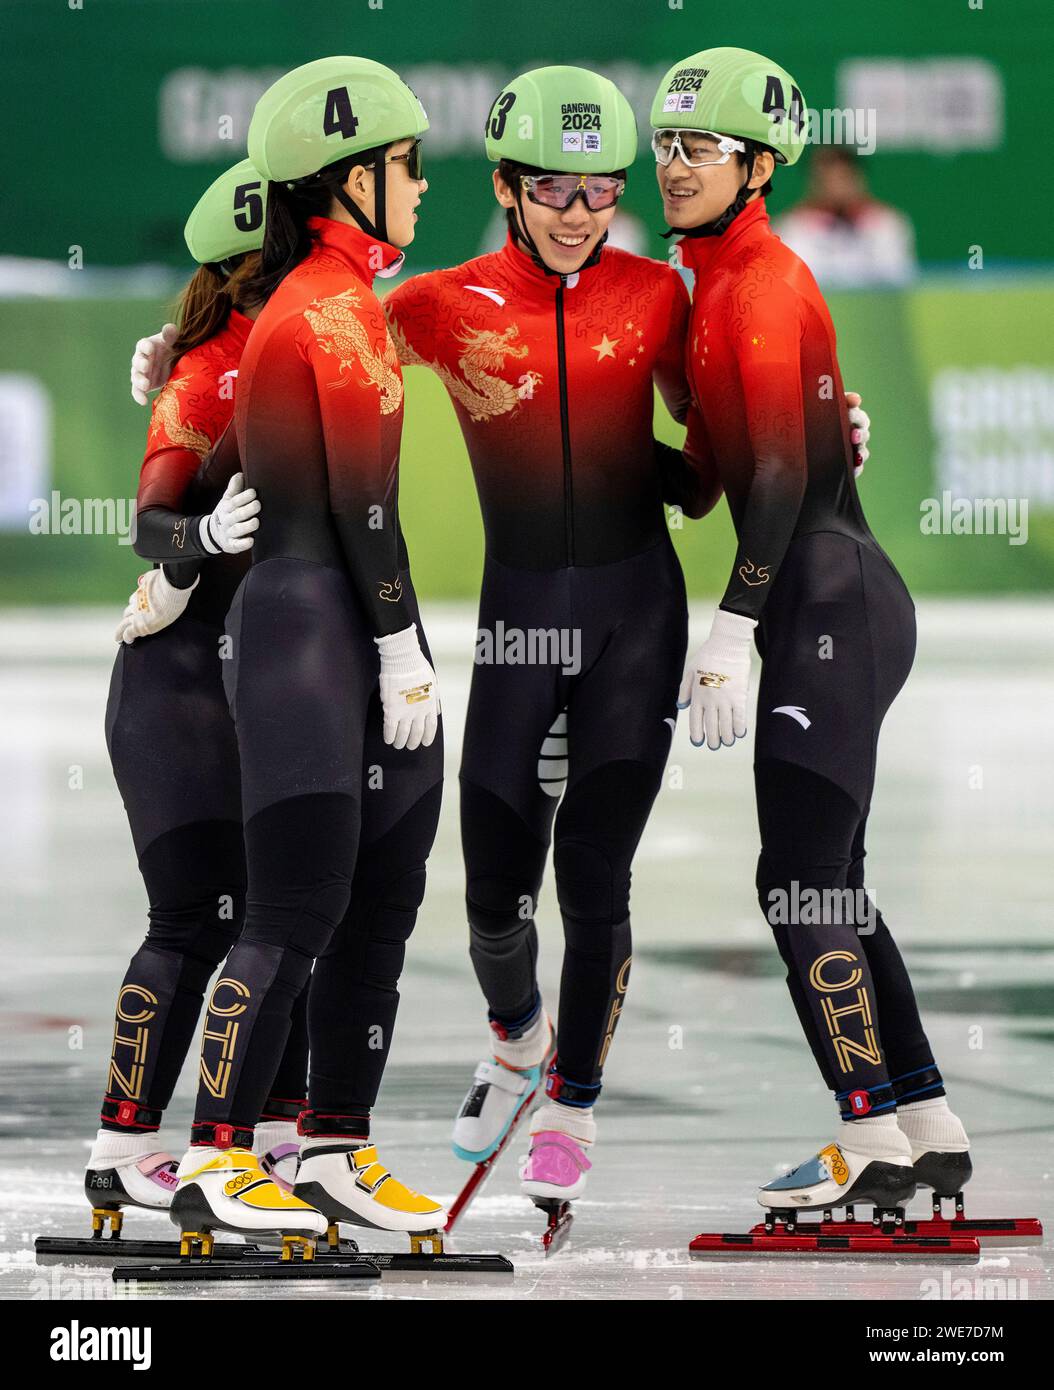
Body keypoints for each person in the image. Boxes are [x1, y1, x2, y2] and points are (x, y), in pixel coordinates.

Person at [383, 65, 871, 1227]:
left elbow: (718, 453)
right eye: (554, 188)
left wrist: (825, 422)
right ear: (504, 186)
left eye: (603, 191)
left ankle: (572, 1106)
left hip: (634, 616)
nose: (580, 213)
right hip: (516, 616)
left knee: (595, 874)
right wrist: (189, 361)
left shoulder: (660, 294)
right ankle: (515, 1042)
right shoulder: (441, 302)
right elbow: (306, 342)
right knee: (493, 887)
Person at [650, 47, 970, 1219]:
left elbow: (779, 475)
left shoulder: (762, 282)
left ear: (760, 164)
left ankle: (870, 1139)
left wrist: (731, 626)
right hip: (833, 597)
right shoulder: (714, 287)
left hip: (824, 603)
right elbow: (699, 483)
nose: (674, 166)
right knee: (831, 882)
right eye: (666, 146)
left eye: (700, 148)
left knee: (795, 884)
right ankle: (924, 1123)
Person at [168, 57, 446, 1253]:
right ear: (349, 180)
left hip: (337, 616)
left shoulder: (334, 303)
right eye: (408, 166)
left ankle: (334, 1141)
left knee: (380, 890)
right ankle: (217, 1156)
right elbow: (364, 505)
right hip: (307, 624)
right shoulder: (326, 310)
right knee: (293, 901)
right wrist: (397, 647)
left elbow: (224, 460)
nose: (426, 187)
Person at [88, 159, 310, 1244]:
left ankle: (269, 1139)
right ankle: (123, 1147)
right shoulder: (208, 372)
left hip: (240, 679)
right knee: (194, 918)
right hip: (174, 679)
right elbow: (147, 524)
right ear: (266, 264)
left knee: (277, 910)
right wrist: (195, 545)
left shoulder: (286, 347)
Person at [773, 145, 917, 288]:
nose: (836, 185)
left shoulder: (888, 224)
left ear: (859, 178)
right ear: (813, 182)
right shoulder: (790, 229)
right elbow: (793, 286)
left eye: (844, 176)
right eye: (827, 176)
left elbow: (897, 280)